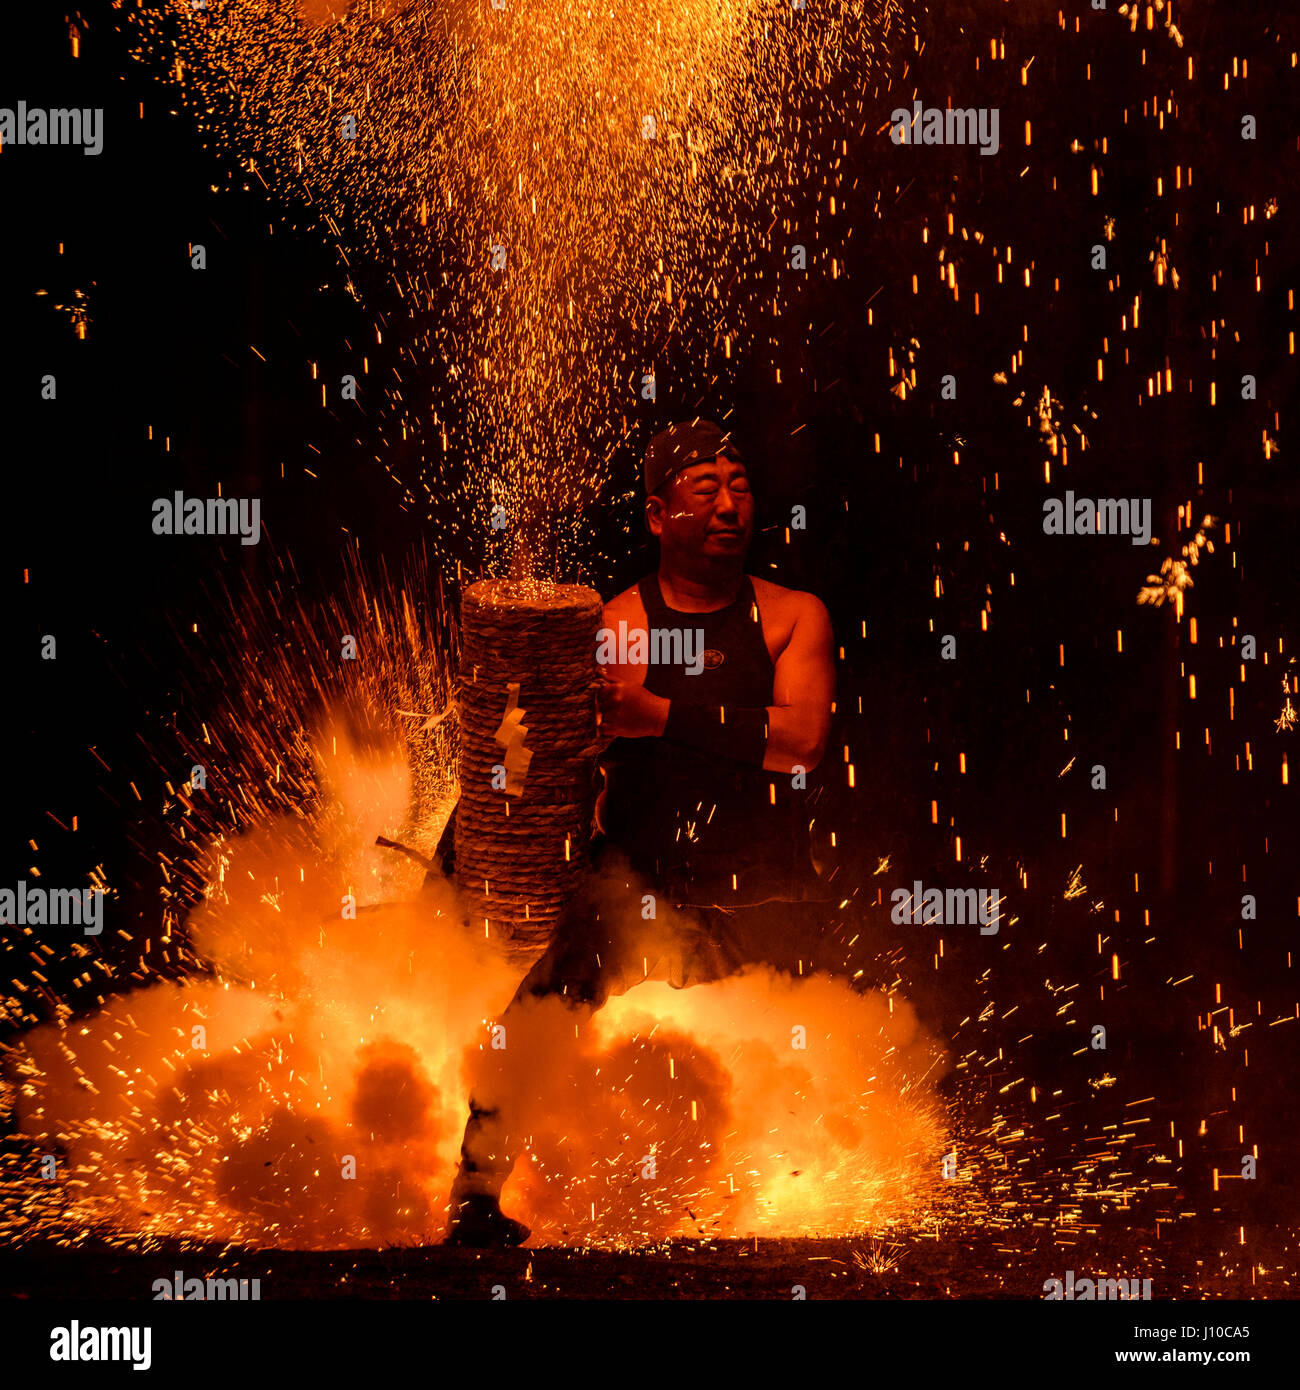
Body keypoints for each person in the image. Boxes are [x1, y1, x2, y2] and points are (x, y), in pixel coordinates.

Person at [444, 418, 837, 1246]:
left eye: (741, 487)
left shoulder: (792, 617)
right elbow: (552, 762)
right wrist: (464, 848)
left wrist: (658, 715)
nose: (731, 505)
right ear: (659, 516)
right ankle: (475, 1190)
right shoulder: (620, 624)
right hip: (644, 880)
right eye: (707, 490)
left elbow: (799, 743)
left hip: (763, 885)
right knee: (546, 1000)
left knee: (834, 1029)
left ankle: (820, 1175)